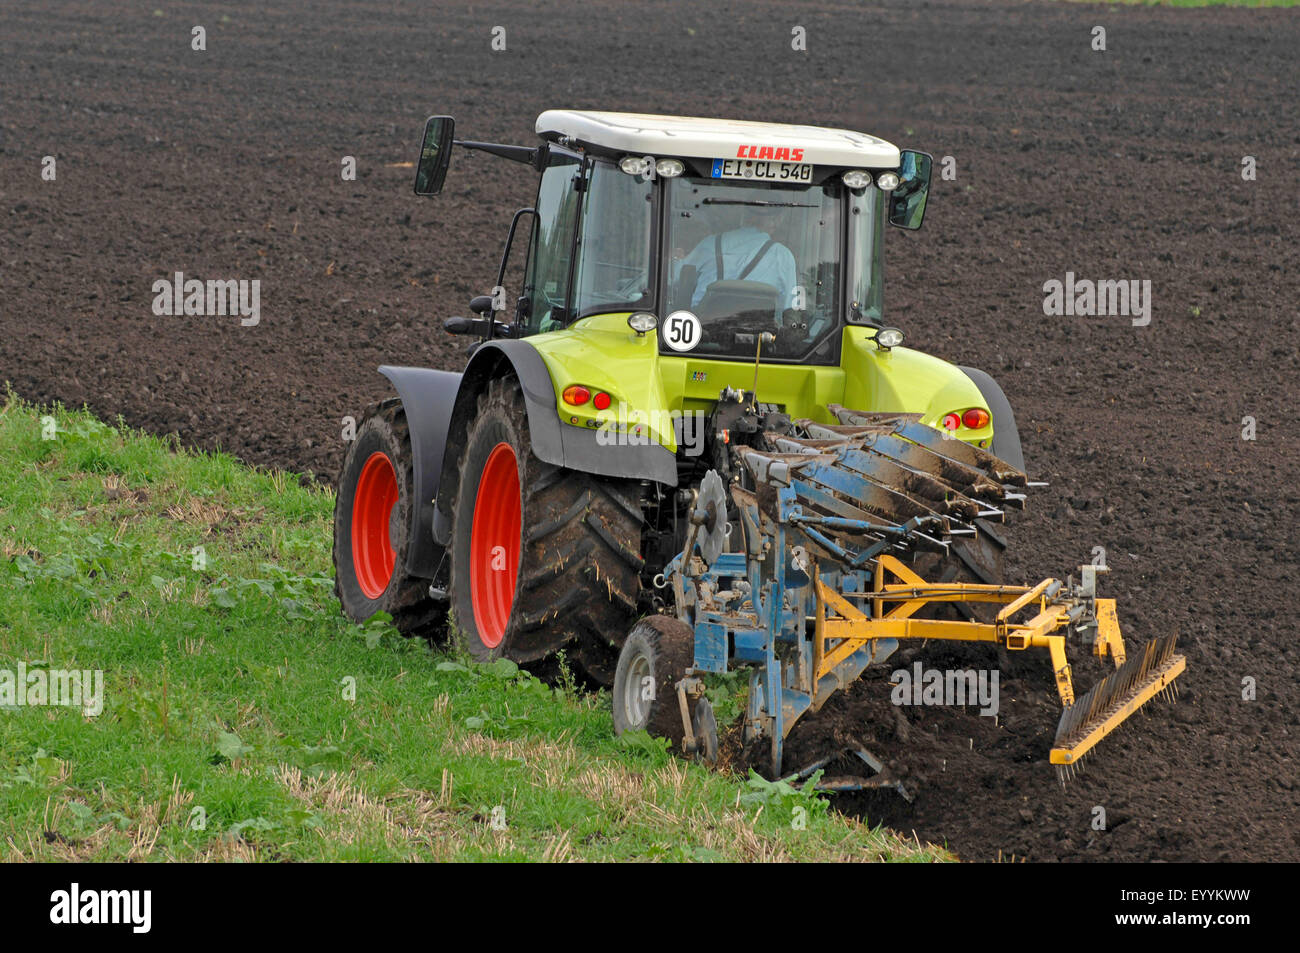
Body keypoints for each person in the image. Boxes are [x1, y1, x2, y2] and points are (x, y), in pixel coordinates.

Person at [673, 203, 798, 315]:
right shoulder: (783, 255)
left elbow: (674, 278)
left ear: (743, 215)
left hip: (702, 328)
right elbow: (789, 310)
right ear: (776, 221)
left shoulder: (710, 243)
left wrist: (674, 259)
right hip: (760, 333)